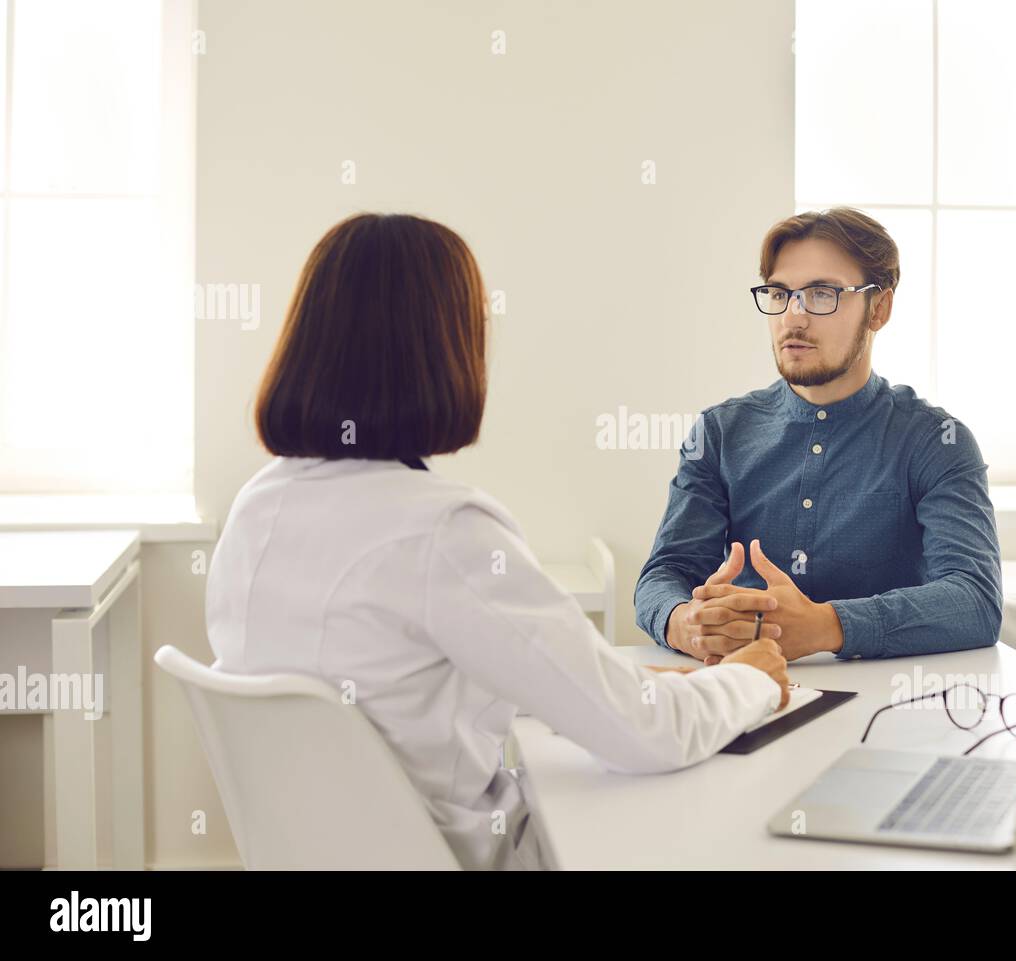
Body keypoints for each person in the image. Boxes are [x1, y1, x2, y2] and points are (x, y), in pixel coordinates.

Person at [205, 213, 789, 871]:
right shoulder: (441, 530)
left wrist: (612, 681)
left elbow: (401, 681)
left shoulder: (257, 506)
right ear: (443, 345)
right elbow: (646, 734)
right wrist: (751, 679)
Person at [635, 207, 1002, 664]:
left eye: (822, 294)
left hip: (889, 709)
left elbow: (975, 601)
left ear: (880, 308)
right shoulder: (720, 432)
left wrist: (827, 626)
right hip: (742, 691)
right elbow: (665, 574)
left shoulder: (937, 441)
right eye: (780, 293)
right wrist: (684, 623)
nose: (794, 317)